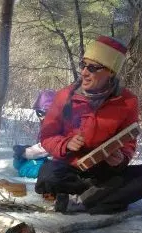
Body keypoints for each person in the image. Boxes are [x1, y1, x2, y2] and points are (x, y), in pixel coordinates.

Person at [35, 35, 142, 214]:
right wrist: (65, 144)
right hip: (70, 168)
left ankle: (84, 198)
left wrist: (121, 158)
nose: (84, 72)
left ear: (110, 72)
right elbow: (46, 136)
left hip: (104, 171)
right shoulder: (65, 96)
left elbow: (128, 143)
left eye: (92, 68)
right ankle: (100, 198)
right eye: (83, 65)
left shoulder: (127, 101)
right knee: (48, 176)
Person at [12, 90, 56, 179]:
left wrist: (25, 152)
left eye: (43, 112)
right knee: (18, 162)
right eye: (38, 112)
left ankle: (47, 174)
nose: (41, 116)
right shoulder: (47, 123)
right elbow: (43, 145)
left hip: (57, 161)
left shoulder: (57, 124)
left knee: (24, 170)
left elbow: (48, 148)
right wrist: (26, 149)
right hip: (46, 156)